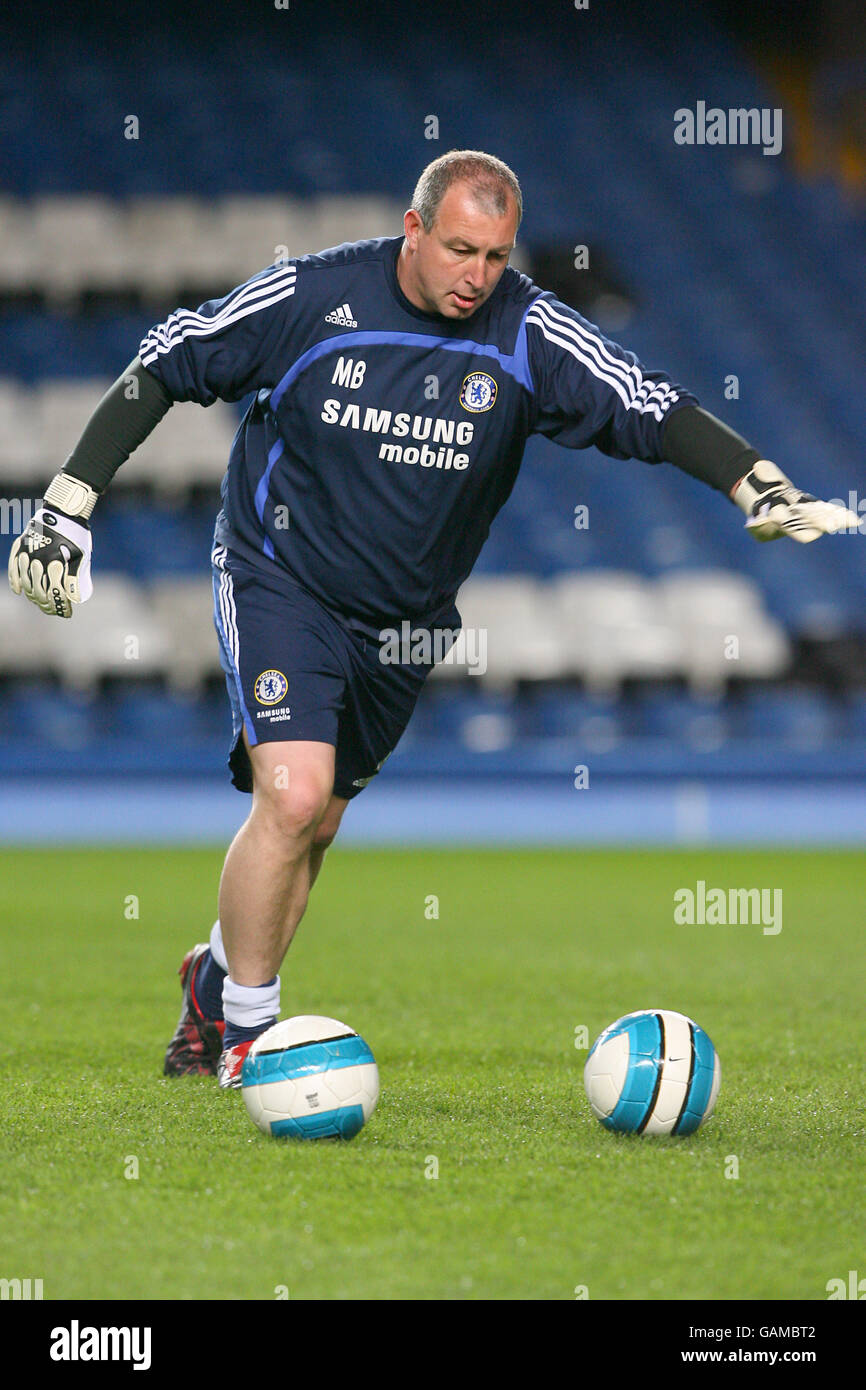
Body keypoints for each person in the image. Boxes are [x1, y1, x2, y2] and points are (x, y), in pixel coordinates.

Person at [8, 150, 857, 1088]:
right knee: (290, 795)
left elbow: (645, 404)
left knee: (318, 825)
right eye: (460, 249)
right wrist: (66, 505)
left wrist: (752, 478)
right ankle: (248, 1032)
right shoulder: (312, 297)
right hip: (278, 576)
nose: (476, 276)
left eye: (495, 257)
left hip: (403, 621)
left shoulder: (528, 330)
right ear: (413, 229)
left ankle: (216, 978)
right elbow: (165, 360)